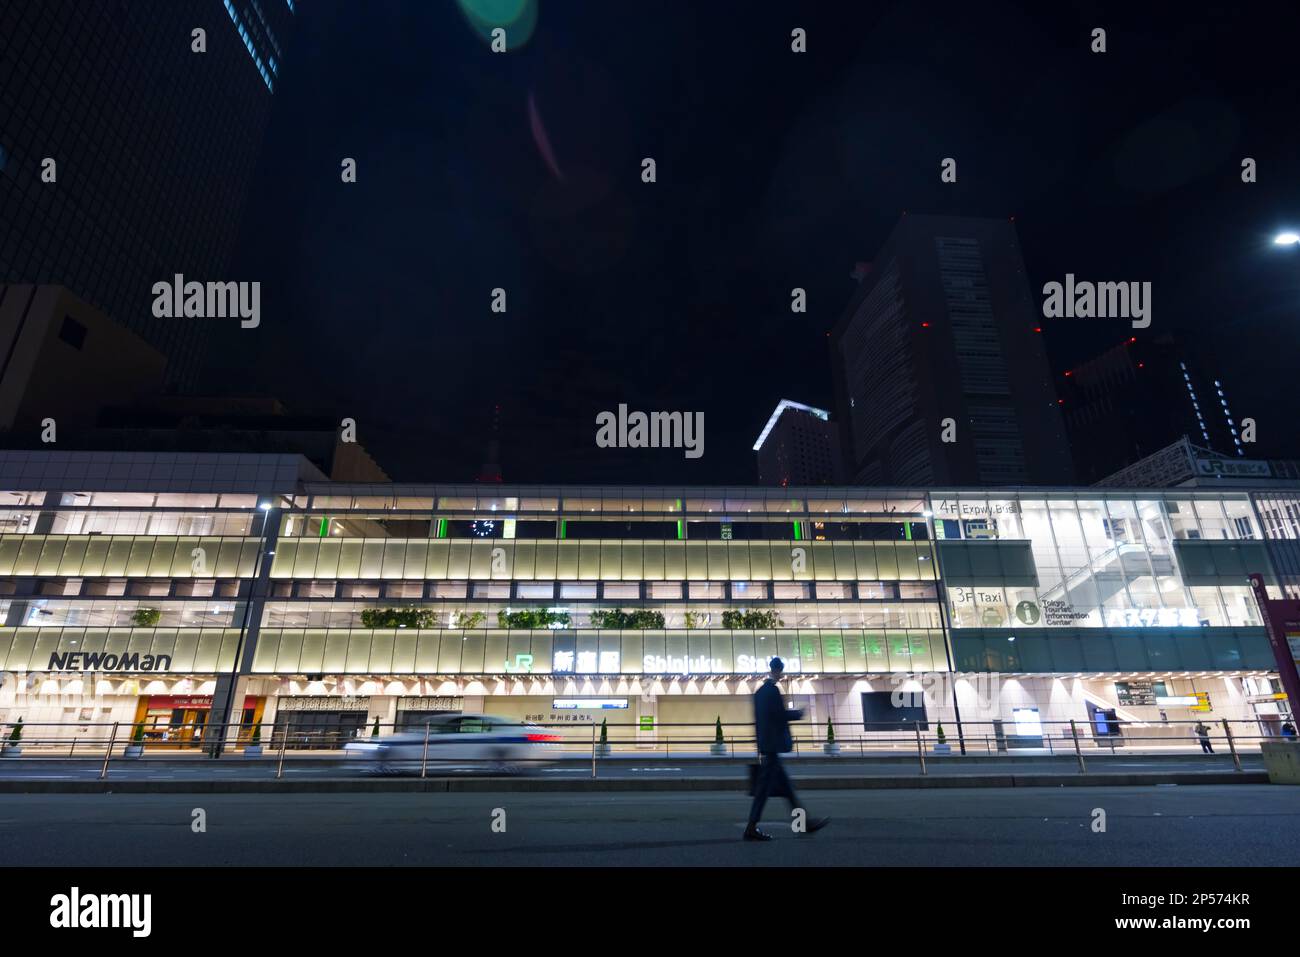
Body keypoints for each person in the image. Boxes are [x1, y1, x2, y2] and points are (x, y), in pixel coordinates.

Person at [744, 657, 829, 841]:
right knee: (764, 792)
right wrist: (797, 713)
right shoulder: (772, 692)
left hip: (766, 746)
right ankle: (751, 827)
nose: (781, 674)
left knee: (787, 790)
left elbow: (761, 721)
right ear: (777, 670)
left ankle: (804, 823)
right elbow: (779, 716)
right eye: (780, 670)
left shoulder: (759, 693)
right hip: (772, 747)